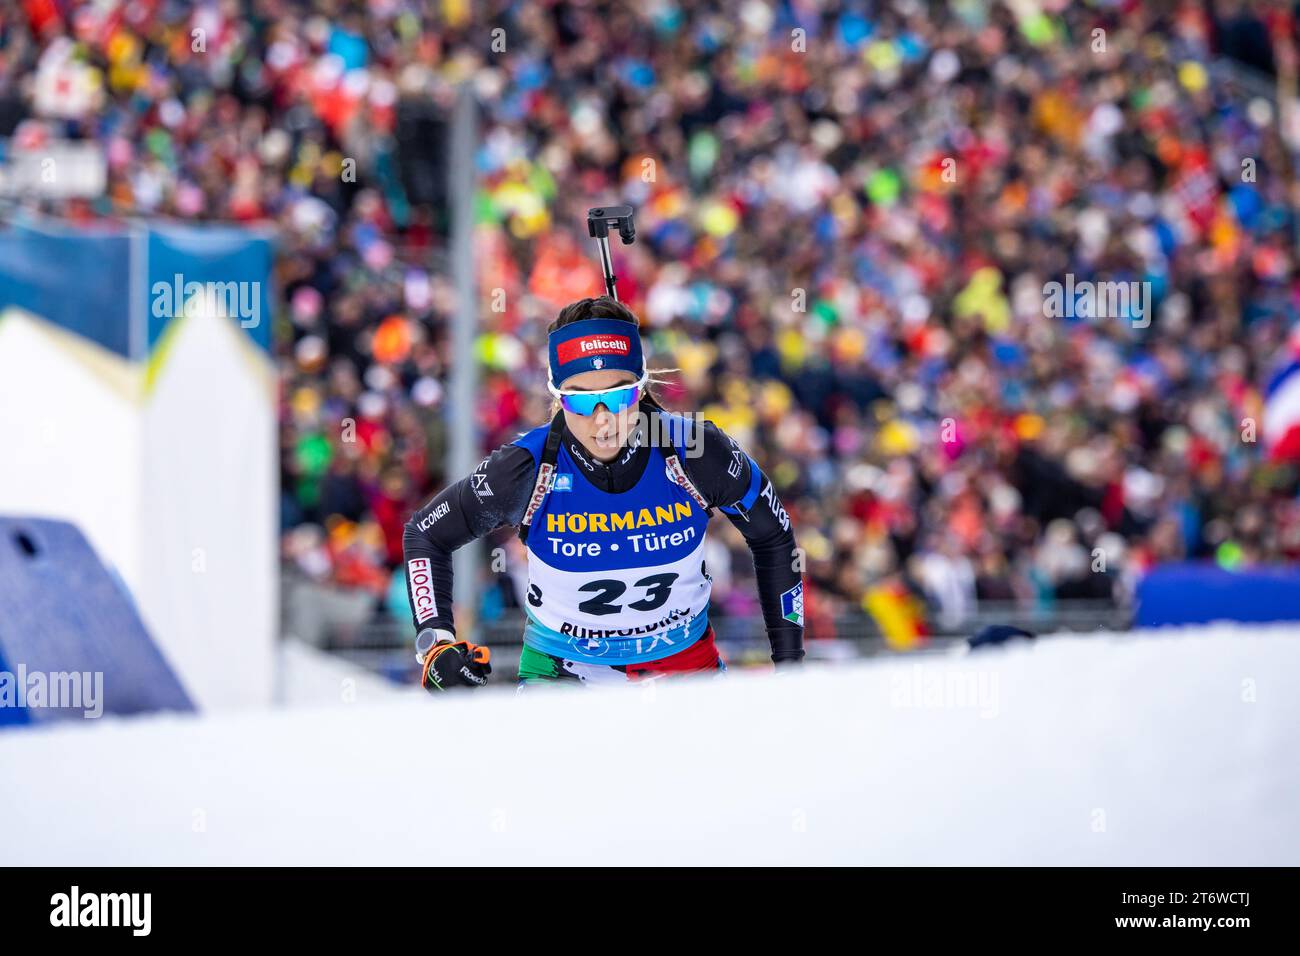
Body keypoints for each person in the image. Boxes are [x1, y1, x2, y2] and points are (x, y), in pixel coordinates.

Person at [403, 296, 805, 690]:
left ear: (642, 388)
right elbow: (424, 533)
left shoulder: (695, 450)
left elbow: (774, 536)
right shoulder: (528, 467)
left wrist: (789, 667)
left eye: (618, 396)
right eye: (580, 401)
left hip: (683, 670)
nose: (603, 420)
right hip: (562, 673)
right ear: (557, 398)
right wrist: (436, 643)